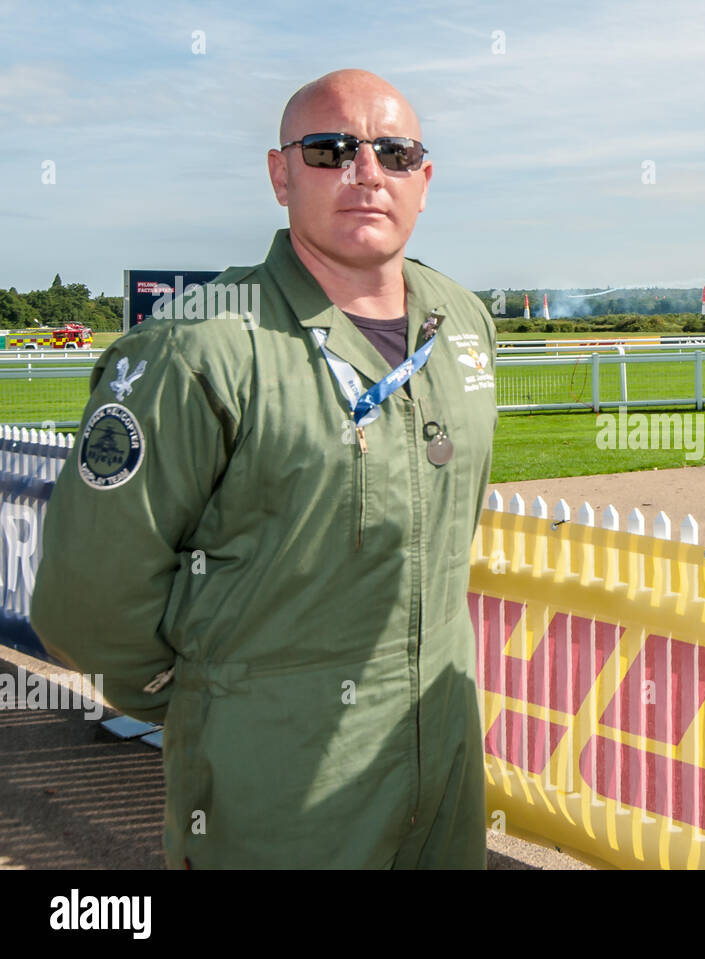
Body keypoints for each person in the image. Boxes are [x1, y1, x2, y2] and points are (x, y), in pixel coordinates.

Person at [31, 69, 498, 868]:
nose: (364, 171)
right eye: (329, 149)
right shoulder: (197, 346)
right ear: (281, 175)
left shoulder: (462, 322)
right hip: (277, 794)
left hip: (443, 778)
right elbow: (88, 598)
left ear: (424, 180)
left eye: (393, 151)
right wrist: (226, 700)